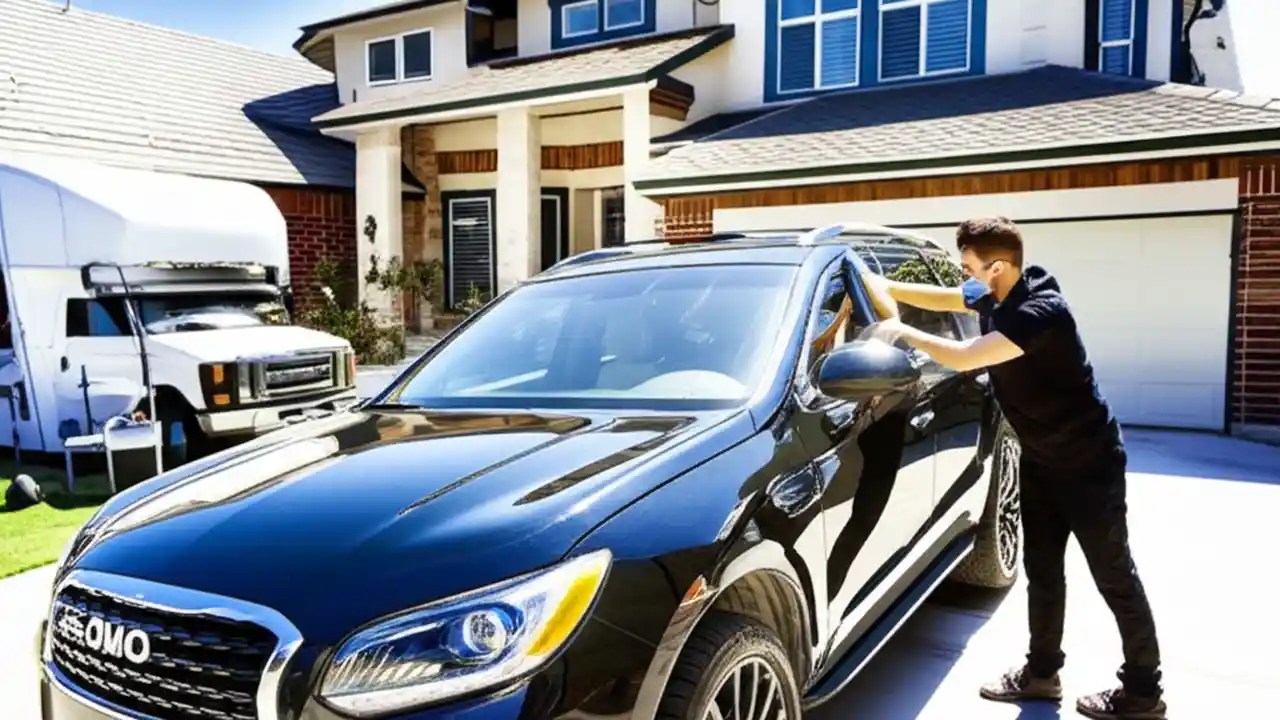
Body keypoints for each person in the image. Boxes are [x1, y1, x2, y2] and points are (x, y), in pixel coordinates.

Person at [861, 217, 1165, 720]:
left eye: (970, 267)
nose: (966, 277)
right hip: (1042, 459)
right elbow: (952, 298)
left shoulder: (1040, 313)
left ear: (998, 267)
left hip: (1090, 467)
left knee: (1115, 578)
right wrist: (887, 286)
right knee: (1042, 573)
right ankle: (1041, 674)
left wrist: (901, 330)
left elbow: (963, 358)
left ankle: (1143, 694)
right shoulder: (1001, 294)